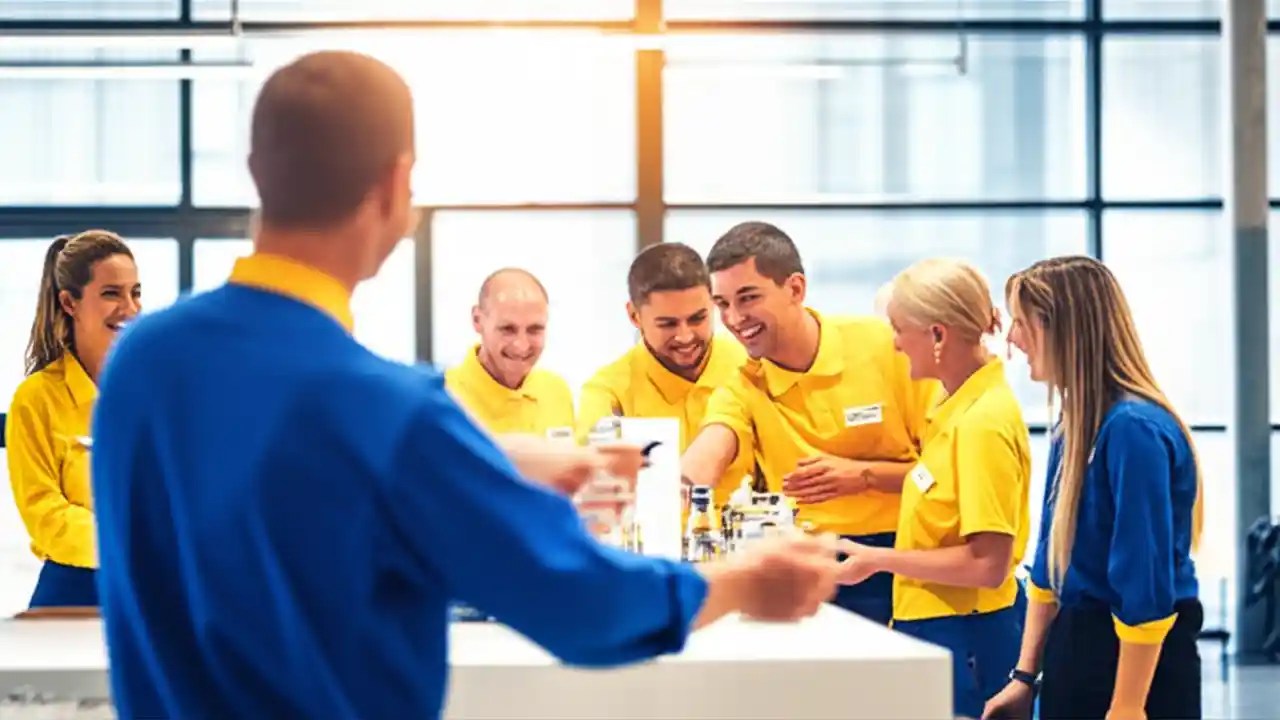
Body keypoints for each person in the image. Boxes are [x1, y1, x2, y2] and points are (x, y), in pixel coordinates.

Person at [90, 51, 846, 719]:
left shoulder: (144, 361)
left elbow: (285, 490)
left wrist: (493, 459)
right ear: (396, 187)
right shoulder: (389, 412)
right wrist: (746, 581)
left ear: (258, 173)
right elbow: (586, 606)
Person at [679, 221, 941, 625]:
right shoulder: (745, 382)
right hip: (808, 568)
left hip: (907, 561)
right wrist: (680, 482)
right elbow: (711, 447)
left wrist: (864, 476)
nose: (734, 318)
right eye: (722, 304)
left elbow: (946, 477)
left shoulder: (887, 347)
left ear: (796, 289)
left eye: (748, 298)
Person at [981, 256, 1204, 720]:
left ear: (1062, 329)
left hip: (1134, 663)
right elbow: (1051, 560)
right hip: (1078, 645)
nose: (1012, 339)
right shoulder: (1074, 425)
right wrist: (1024, 677)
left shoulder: (1133, 430)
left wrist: (1127, 705)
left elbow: (1143, 582)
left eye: (1021, 324)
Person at [838, 258, 1030, 719]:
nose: (895, 343)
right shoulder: (953, 410)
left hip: (969, 636)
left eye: (899, 329)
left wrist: (877, 560)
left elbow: (988, 564)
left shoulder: (982, 423)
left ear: (938, 335)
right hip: (939, 629)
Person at [5, 230, 141, 609]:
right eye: (111, 293)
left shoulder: (150, 390)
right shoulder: (37, 400)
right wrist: (130, 542)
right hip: (73, 592)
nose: (129, 308)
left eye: (135, 292)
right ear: (69, 302)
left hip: (148, 586)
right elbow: (45, 515)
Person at [577, 242, 751, 505]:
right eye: (668, 324)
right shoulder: (608, 391)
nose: (685, 336)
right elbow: (591, 482)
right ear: (635, 316)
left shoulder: (749, 367)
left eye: (697, 319)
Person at [445, 267, 575, 437]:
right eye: (507, 329)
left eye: (535, 329)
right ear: (477, 320)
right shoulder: (444, 398)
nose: (521, 345)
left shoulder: (556, 390)